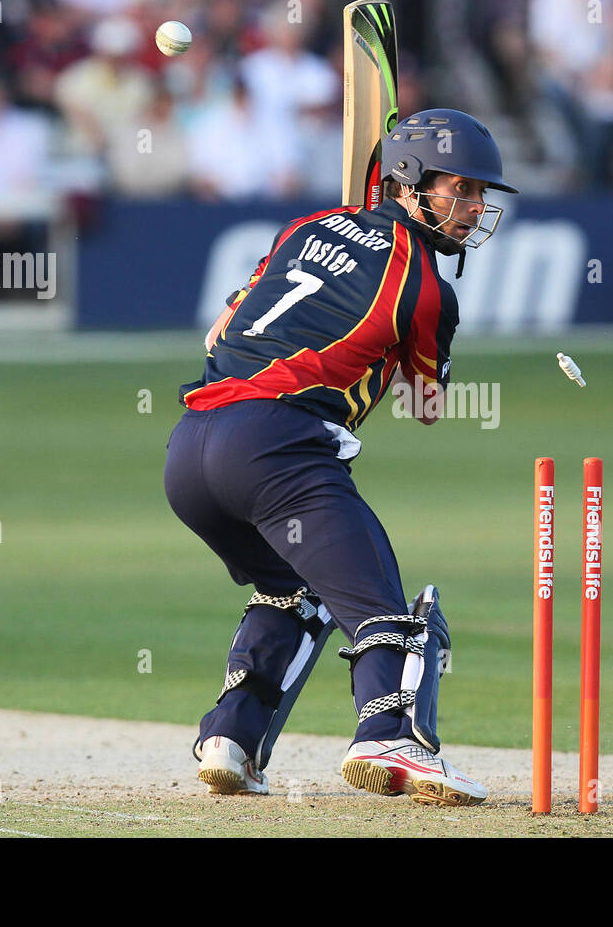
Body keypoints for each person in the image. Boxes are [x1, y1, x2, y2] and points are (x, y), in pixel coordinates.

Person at [164, 109, 517, 806]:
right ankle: (390, 736)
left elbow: (219, 328)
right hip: (280, 448)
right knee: (390, 612)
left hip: (192, 451)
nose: (474, 209)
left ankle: (230, 739)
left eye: (481, 194)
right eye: (461, 190)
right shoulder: (425, 285)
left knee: (296, 593)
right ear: (410, 184)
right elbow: (426, 407)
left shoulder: (305, 228)